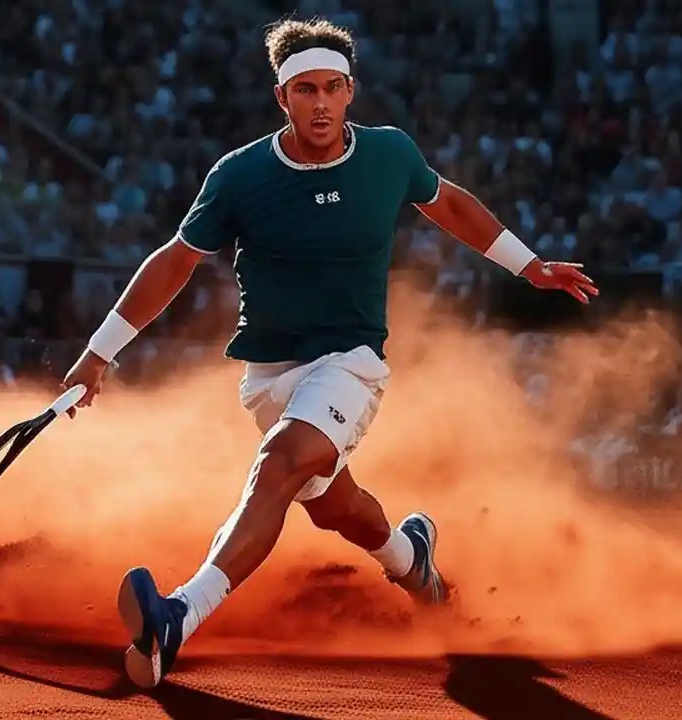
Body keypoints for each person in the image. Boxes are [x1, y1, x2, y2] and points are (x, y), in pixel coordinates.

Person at [60, 18, 598, 688]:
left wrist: (530, 266)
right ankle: (413, 560)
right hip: (268, 379)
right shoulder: (239, 175)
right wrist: (98, 353)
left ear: (351, 92)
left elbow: (449, 205)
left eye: (333, 88)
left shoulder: (389, 154)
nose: (320, 102)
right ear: (281, 97)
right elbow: (176, 263)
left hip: (352, 365)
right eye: (305, 89)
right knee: (336, 507)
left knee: (280, 464)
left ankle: (177, 616)